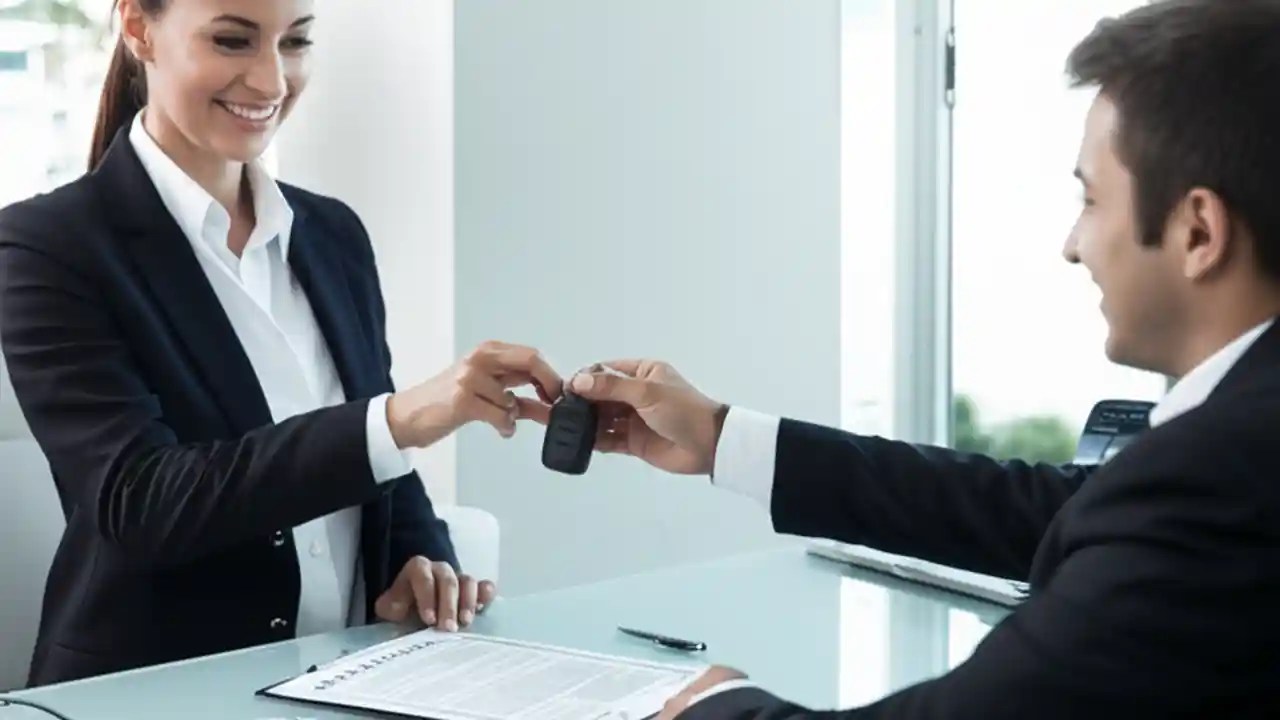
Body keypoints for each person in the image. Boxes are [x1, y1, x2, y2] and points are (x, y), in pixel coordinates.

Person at [555, 0, 1280, 717]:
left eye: (1090, 201)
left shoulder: (1216, 476)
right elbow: (1055, 510)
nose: (1071, 244)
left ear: (1197, 231)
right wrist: (722, 437)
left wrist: (713, 706)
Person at [0, 0, 557, 687]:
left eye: (295, 42)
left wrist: (419, 561)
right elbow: (141, 501)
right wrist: (403, 416)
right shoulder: (47, 248)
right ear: (139, 28)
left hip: (356, 679)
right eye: (233, 41)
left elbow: (382, 469)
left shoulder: (332, 235)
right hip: (158, 692)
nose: (271, 81)